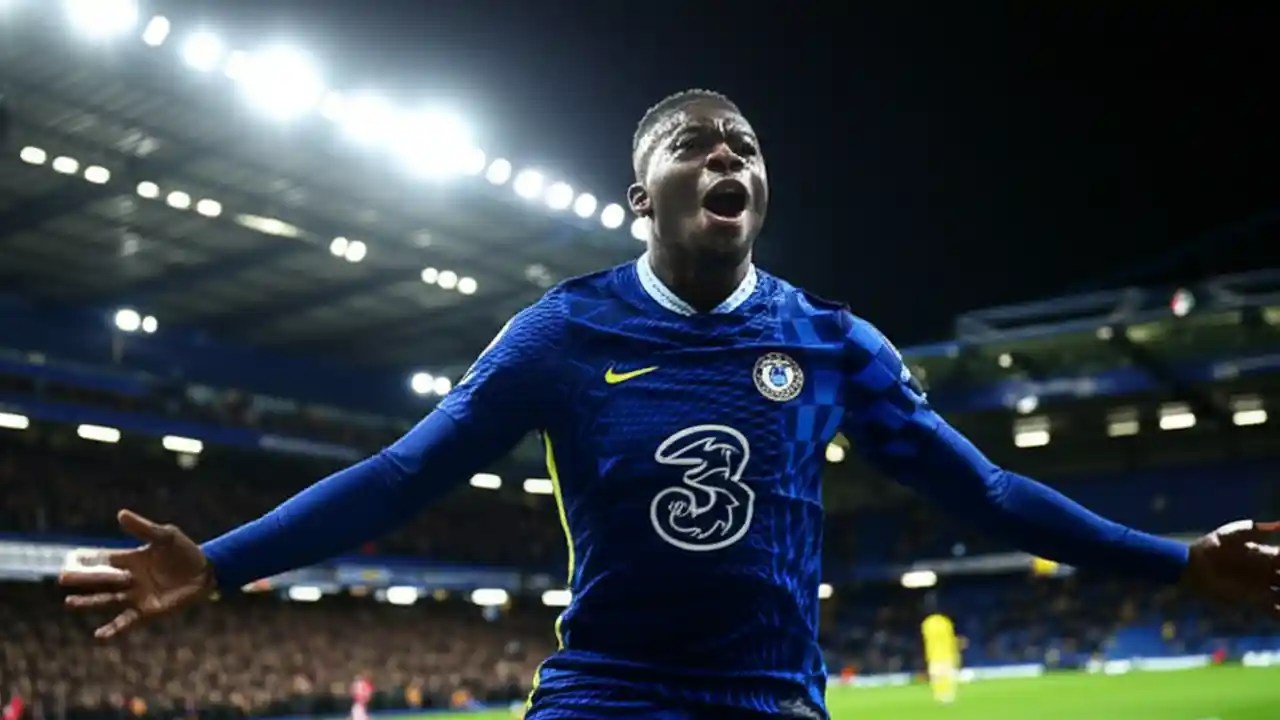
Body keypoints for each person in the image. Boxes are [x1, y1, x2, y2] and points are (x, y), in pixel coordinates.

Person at [61, 89, 1279, 720]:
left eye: (741, 146)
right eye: (694, 144)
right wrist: (218, 564)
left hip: (769, 699)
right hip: (609, 693)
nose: (724, 159)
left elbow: (987, 493)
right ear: (636, 197)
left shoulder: (827, 340)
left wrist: (1172, 563)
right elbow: (399, 477)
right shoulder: (560, 332)